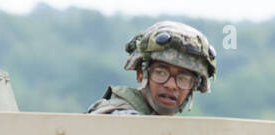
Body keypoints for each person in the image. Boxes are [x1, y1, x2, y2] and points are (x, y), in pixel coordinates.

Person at [86, 20, 216, 116]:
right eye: (161, 73)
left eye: (183, 78)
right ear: (140, 74)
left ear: (193, 87)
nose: (171, 85)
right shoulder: (115, 113)